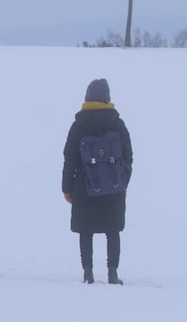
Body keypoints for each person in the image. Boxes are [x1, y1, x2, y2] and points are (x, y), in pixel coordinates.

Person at [62, 78, 133, 285]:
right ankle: (112, 273)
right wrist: (122, 181)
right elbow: (128, 157)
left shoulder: (78, 125)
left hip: (84, 186)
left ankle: (88, 273)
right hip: (114, 187)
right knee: (112, 230)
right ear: (107, 99)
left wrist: (67, 188)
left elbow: (70, 158)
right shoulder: (118, 124)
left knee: (86, 230)